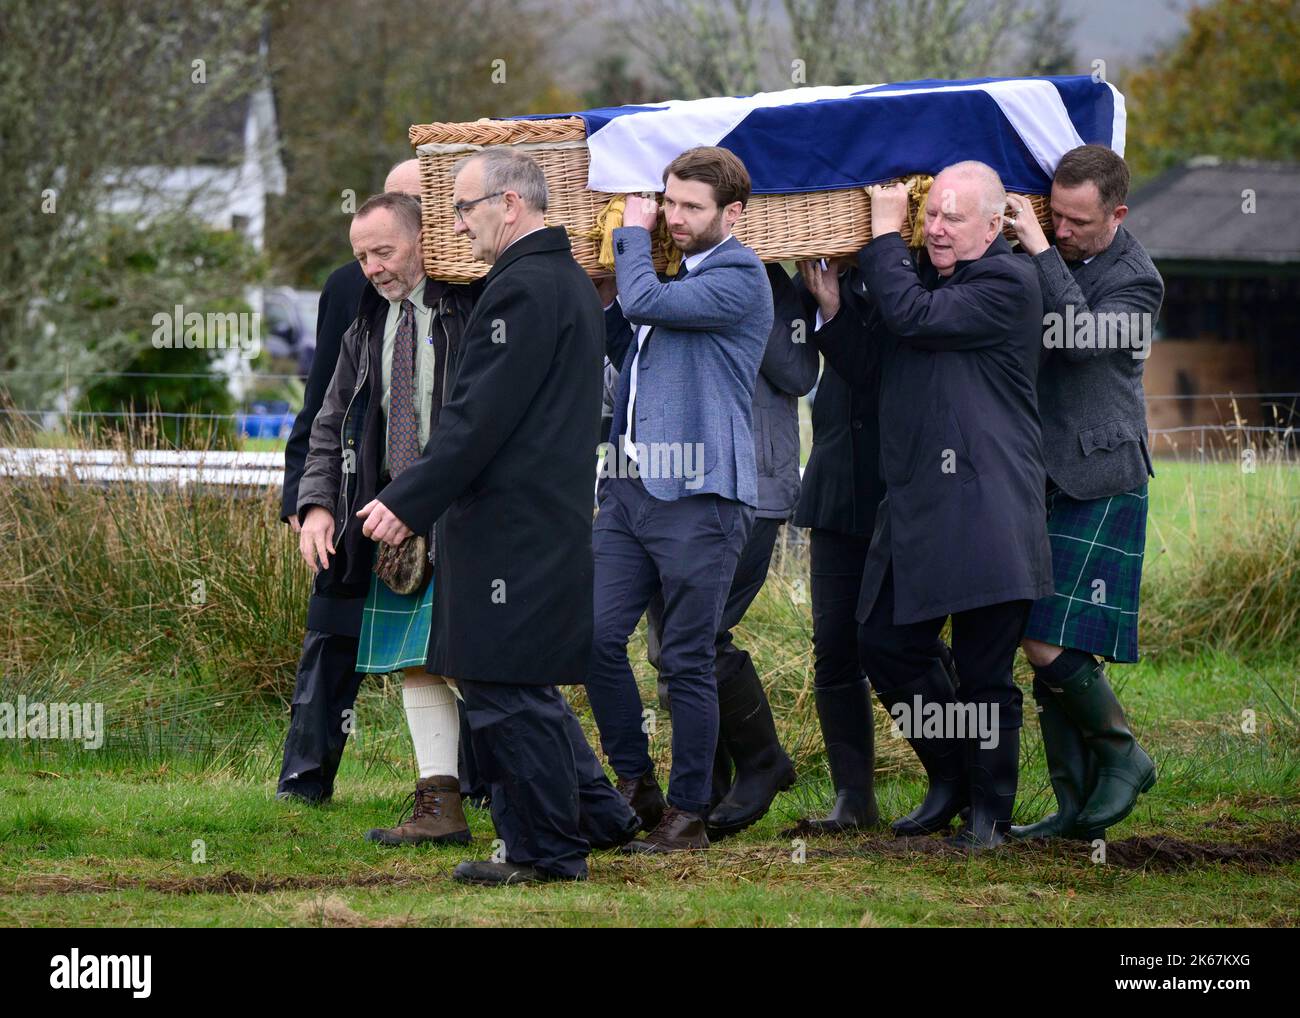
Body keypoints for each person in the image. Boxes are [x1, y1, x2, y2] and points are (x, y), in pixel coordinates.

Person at [358, 147, 639, 885]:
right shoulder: (562, 279)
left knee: (502, 688)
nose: (456, 225)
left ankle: (546, 853)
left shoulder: (521, 289)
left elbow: (475, 420)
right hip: (541, 518)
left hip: (510, 526)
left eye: (463, 209)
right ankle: (600, 816)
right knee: (520, 682)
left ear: (509, 204)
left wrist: (404, 501)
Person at [806, 161, 1053, 849]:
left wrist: (884, 234)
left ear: (994, 226)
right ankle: (951, 777)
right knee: (884, 645)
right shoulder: (926, 287)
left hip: (987, 508)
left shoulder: (1009, 282)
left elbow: (911, 317)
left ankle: (990, 814)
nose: (936, 229)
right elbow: (880, 368)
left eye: (953, 217)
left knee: (984, 672)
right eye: (931, 214)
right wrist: (833, 310)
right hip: (917, 507)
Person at [585, 146, 774, 853]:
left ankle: (688, 813)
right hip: (629, 489)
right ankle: (636, 784)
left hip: (702, 494)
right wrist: (606, 292)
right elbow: (630, 341)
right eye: (668, 202)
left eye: (692, 206)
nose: (675, 217)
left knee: (685, 658)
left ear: (733, 213)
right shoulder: (673, 278)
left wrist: (629, 237)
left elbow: (646, 303)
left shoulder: (741, 276)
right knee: (593, 636)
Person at [295, 190, 477, 846]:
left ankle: (573, 793)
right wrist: (318, 503)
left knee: (475, 664)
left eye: (383, 251)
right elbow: (330, 421)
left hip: (465, 513)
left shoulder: (471, 309)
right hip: (395, 519)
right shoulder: (369, 325)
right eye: (361, 257)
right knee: (415, 662)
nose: (372, 268)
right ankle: (440, 807)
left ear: (423, 239)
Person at [610, 264, 817, 837]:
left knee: (692, 642)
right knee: (673, 646)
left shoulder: (763, 280)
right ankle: (710, 790)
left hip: (748, 485)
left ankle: (758, 764)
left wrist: (725, 308)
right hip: (663, 490)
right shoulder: (653, 282)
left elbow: (800, 371)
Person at [1005, 144, 1163, 839]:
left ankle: (1125, 756)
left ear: (1117, 214)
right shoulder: (1048, 252)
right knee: (1049, 642)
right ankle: (1074, 809)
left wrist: (1040, 248)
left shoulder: (1139, 281)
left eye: (1077, 222)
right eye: (1055, 217)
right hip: (1039, 472)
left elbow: (1077, 339)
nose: (1063, 231)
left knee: (1043, 635)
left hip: (1101, 474)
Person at [786, 257, 959, 835]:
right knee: (834, 646)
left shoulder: (922, 273)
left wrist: (835, 310)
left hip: (902, 486)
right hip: (838, 483)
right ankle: (853, 799)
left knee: (903, 642)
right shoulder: (822, 269)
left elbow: (881, 370)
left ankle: (957, 773)